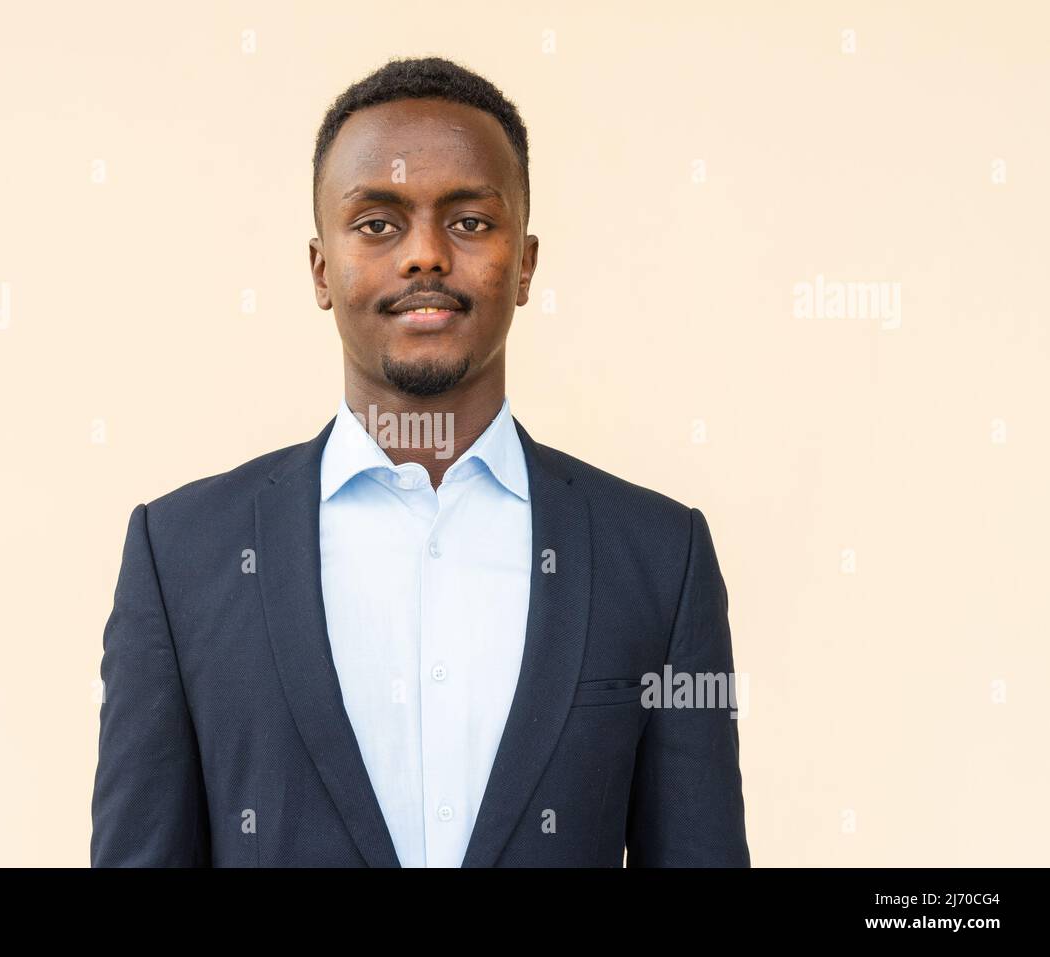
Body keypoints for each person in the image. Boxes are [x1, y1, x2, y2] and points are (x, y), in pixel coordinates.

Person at [91, 55, 749, 867]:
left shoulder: (657, 556)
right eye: (378, 222)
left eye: (470, 220)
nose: (426, 255)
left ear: (527, 264)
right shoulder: (182, 555)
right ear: (321, 268)